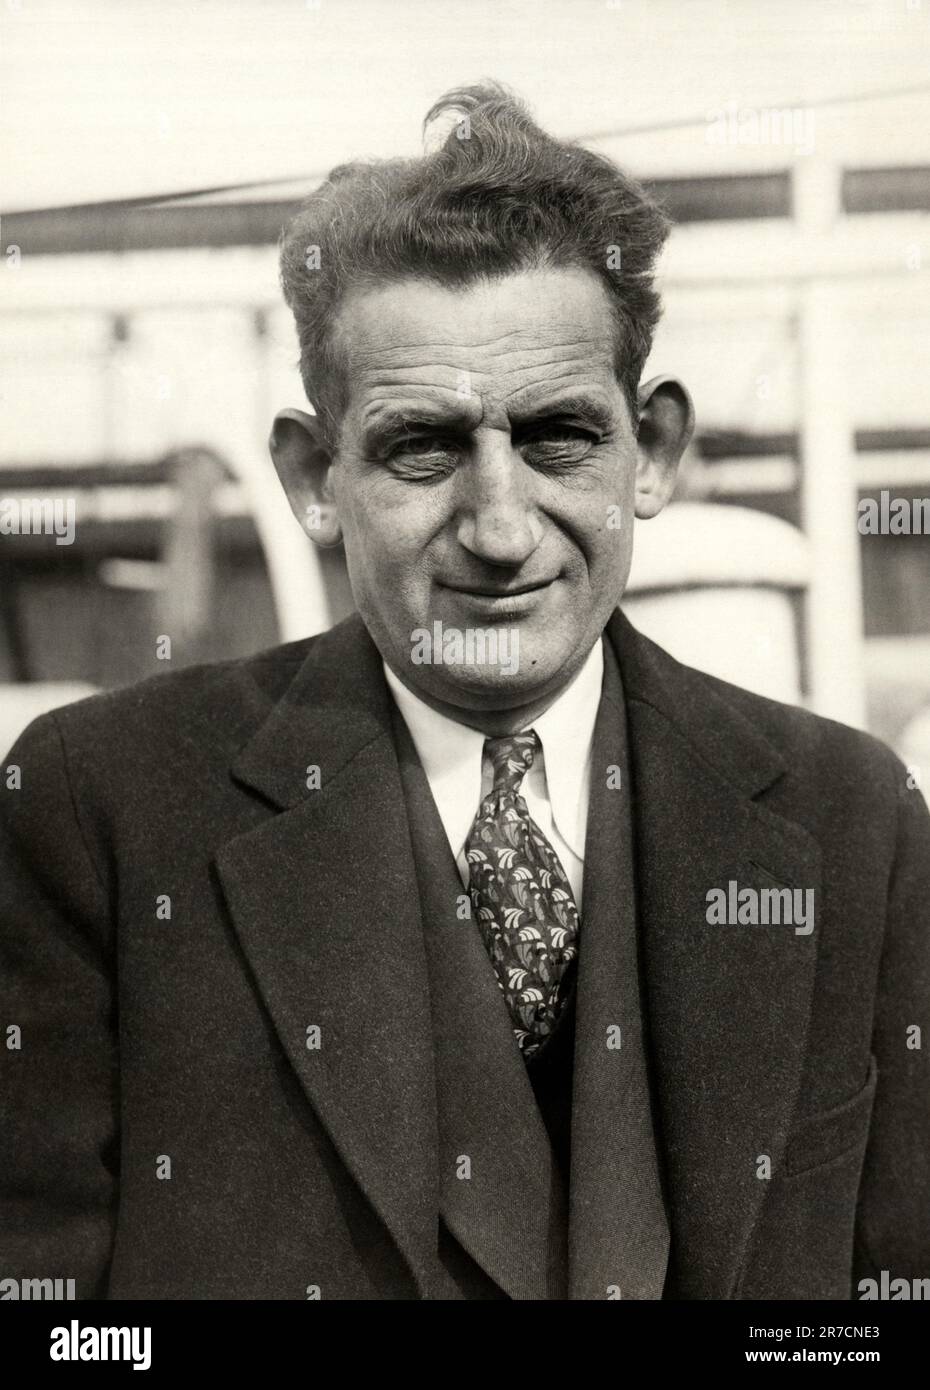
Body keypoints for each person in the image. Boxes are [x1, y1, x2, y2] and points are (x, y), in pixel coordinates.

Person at [2, 83, 928, 1301]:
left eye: (557, 438)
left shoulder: (851, 822)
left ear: (649, 454)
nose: (499, 528)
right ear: (313, 477)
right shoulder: (96, 812)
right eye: (422, 447)